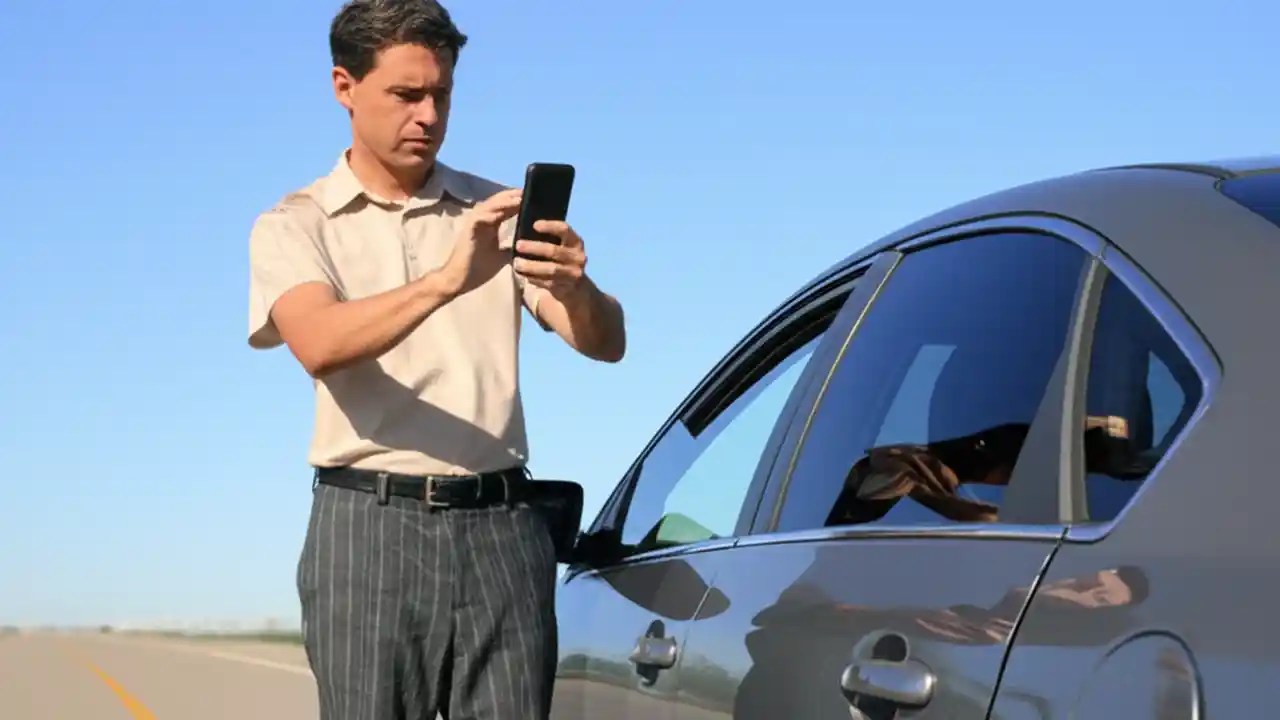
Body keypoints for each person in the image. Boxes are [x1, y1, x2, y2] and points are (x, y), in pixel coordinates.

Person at [244, 1, 626, 718]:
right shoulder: (295, 223)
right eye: (405, 94)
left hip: (505, 526)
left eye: (440, 95)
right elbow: (319, 344)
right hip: (367, 532)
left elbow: (606, 343)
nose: (427, 114)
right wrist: (450, 279)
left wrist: (577, 289)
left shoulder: (495, 211)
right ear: (343, 87)